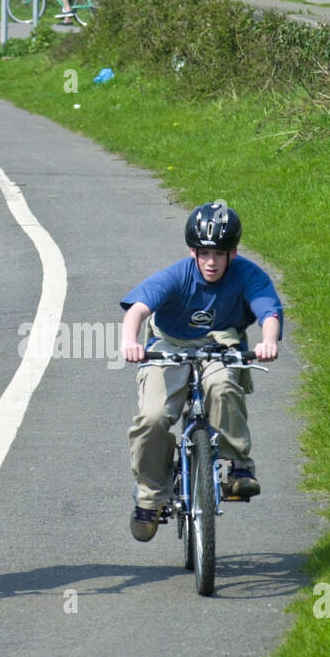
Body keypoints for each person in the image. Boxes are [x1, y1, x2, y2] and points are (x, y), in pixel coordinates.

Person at [119, 203, 282, 542]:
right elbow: (137, 311)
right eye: (204, 253)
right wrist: (129, 342)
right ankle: (150, 498)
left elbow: (269, 311)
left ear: (233, 252)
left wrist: (268, 341)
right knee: (153, 417)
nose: (211, 262)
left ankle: (236, 467)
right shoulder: (177, 275)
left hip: (220, 344)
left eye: (219, 254)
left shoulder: (248, 275)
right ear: (193, 251)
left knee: (223, 385)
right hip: (170, 345)